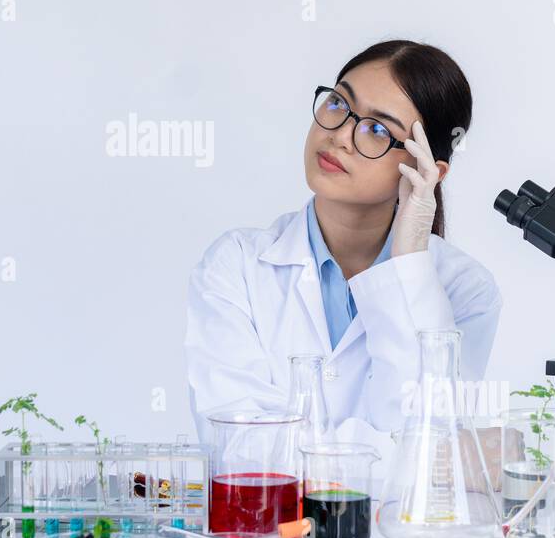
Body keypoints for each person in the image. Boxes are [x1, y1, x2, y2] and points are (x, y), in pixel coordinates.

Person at [184, 40, 502, 448]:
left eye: (376, 130)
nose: (341, 137)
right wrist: (380, 455)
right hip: (271, 516)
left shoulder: (465, 289)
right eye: (338, 105)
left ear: (426, 171)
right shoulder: (235, 266)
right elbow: (242, 452)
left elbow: (429, 448)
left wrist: (409, 267)